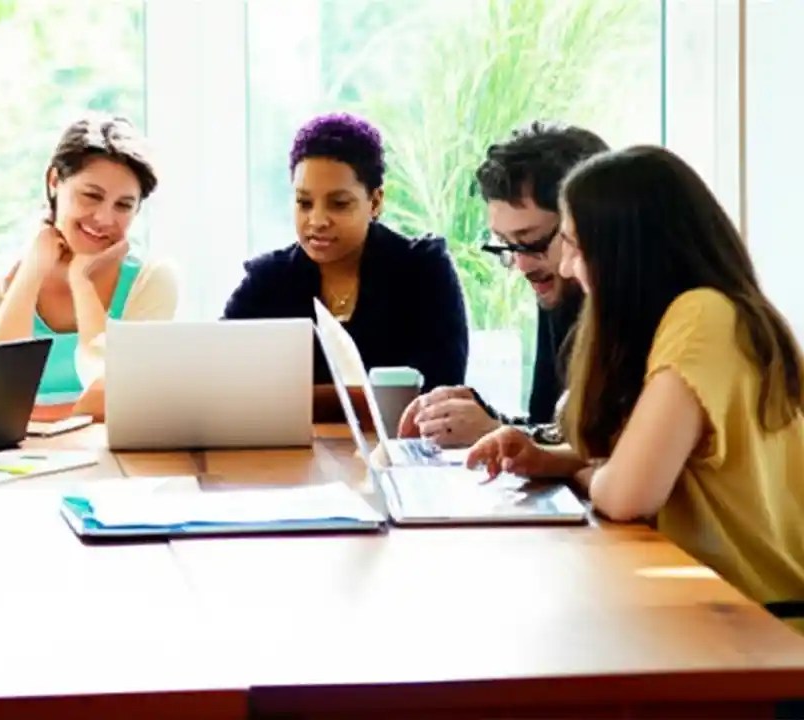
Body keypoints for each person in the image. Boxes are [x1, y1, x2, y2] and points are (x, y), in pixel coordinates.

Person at [467, 146, 804, 630]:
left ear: (627, 253)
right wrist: (553, 460)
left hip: (762, 628)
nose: (567, 268)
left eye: (577, 248)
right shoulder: (711, 313)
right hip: (722, 609)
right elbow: (658, 467)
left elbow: (627, 495)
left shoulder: (703, 318)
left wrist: (583, 474)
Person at [222, 112, 468, 418]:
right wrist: (367, 398)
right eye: (304, 203)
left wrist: (293, 399)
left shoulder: (422, 270)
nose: (317, 221)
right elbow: (223, 381)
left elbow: (438, 390)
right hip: (292, 456)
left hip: (396, 454)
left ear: (375, 202)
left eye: (339, 204)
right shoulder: (267, 280)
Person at [397, 122, 608, 448]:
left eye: (532, 242)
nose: (521, 266)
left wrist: (492, 431)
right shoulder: (556, 291)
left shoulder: (630, 313)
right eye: (507, 246)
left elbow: (606, 455)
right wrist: (480, 418)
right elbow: (554, 432)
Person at [0, 114, 179, 419]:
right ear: (54, 182)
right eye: (91, 196)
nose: (104, 218)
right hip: (15, 462)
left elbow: (120, 399)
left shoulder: (151, 282)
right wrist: (32, 272)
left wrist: (82, 281)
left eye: (124, 205)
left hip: (110, 460)